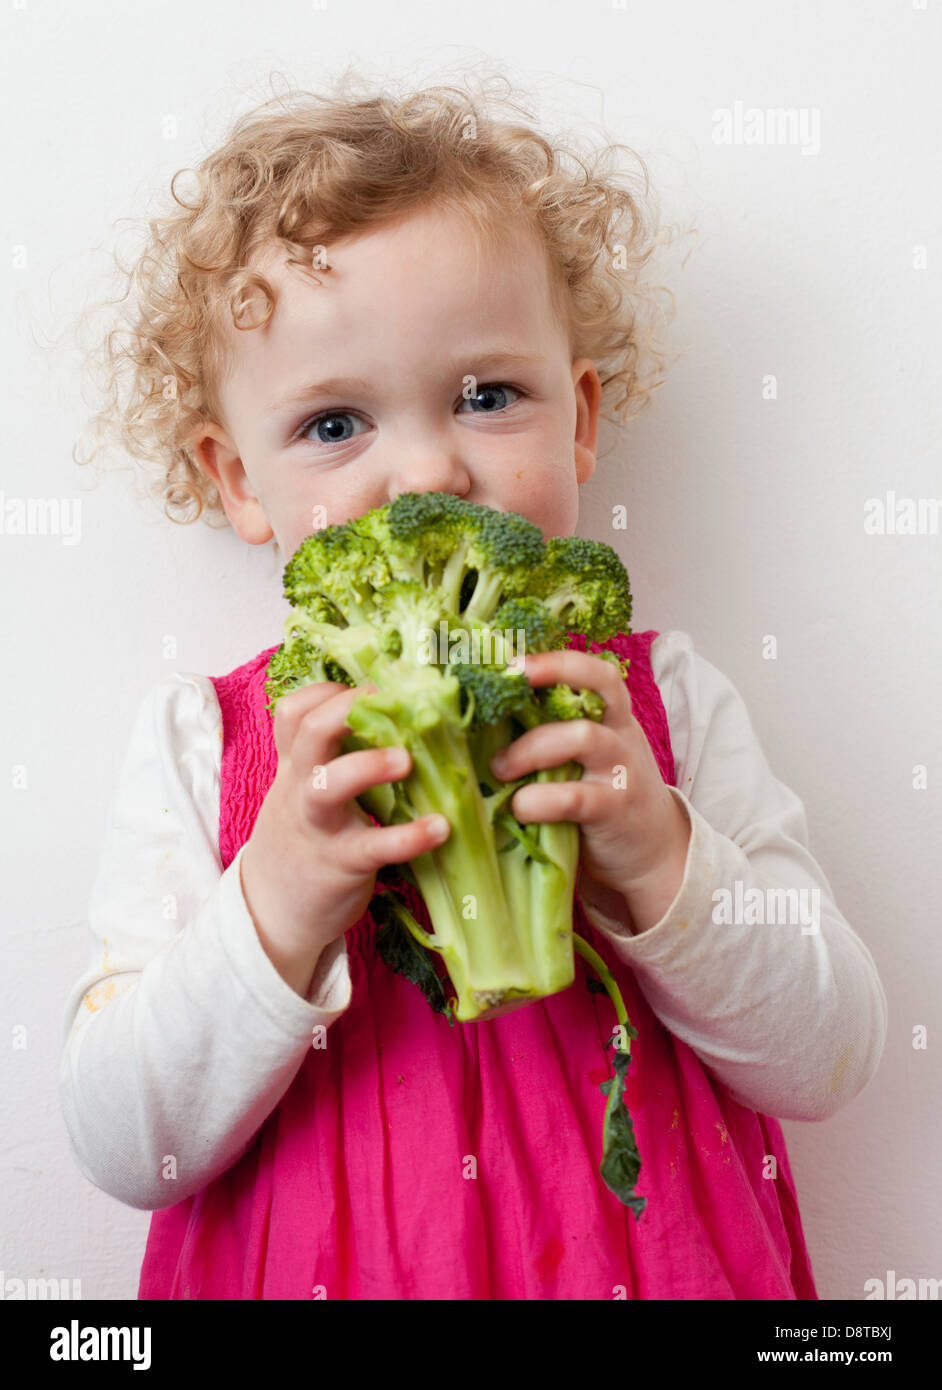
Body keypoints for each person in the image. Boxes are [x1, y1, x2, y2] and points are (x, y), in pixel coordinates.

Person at [59, 73, 886, 1299]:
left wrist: (661, 858)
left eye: (488, 397)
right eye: (335, 423)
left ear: (580, 417)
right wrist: (278, 899)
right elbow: (129, 1145)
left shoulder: (661, 707)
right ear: (237, 479)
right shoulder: (204, 742)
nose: (430, 471)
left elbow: (832, 1056)